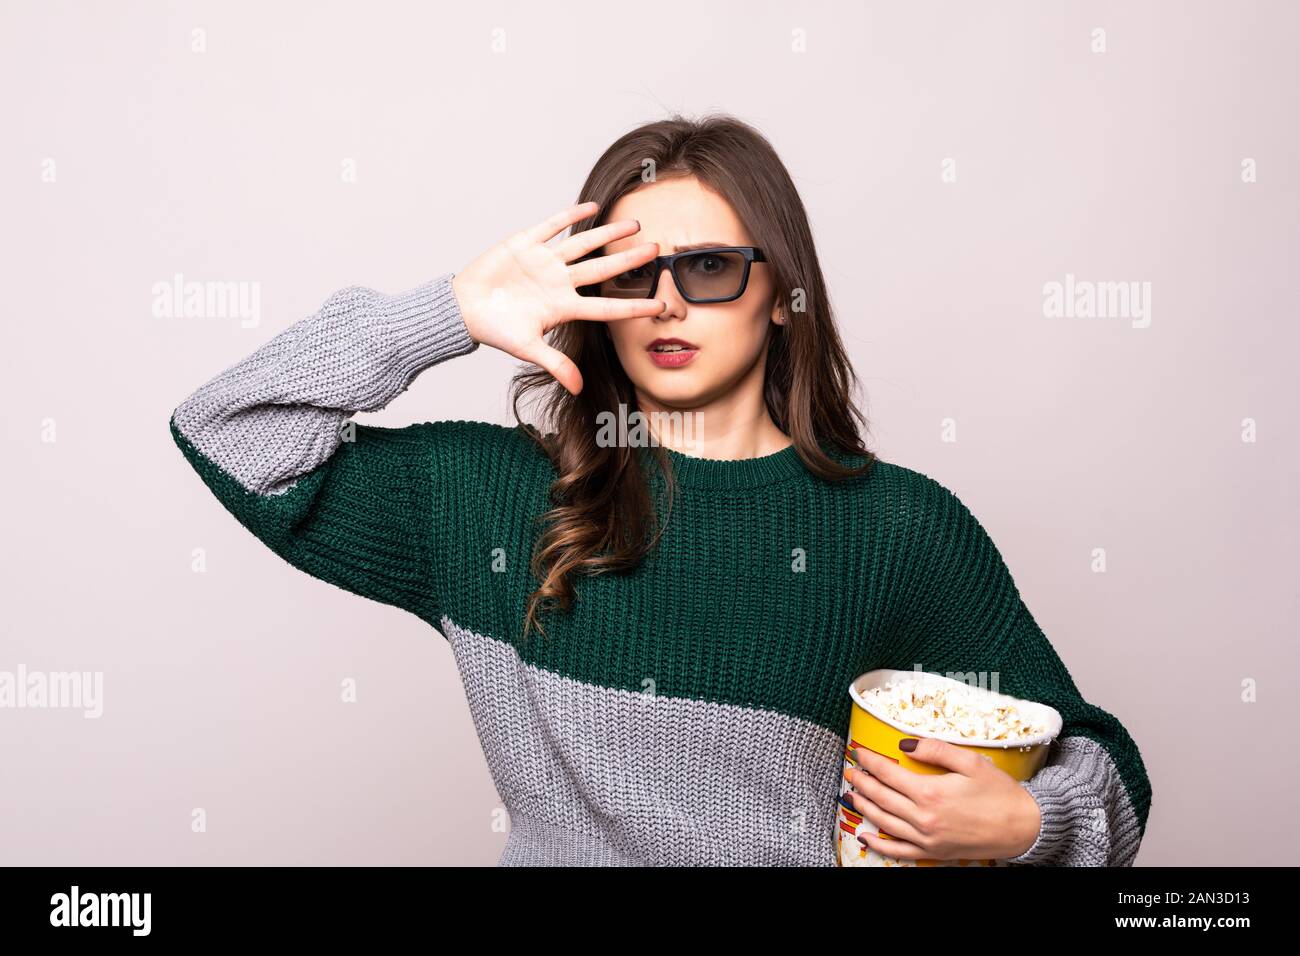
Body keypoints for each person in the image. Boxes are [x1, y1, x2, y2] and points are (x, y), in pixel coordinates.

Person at [169, 114, 1151, 866]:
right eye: (634, 271)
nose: (669, 302)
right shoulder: (486, 494)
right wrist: (451, 310)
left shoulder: (895, 528)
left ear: (780, 295)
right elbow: (232, 431)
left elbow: (1103, 767)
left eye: (711, 267)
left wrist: (1029, 820)